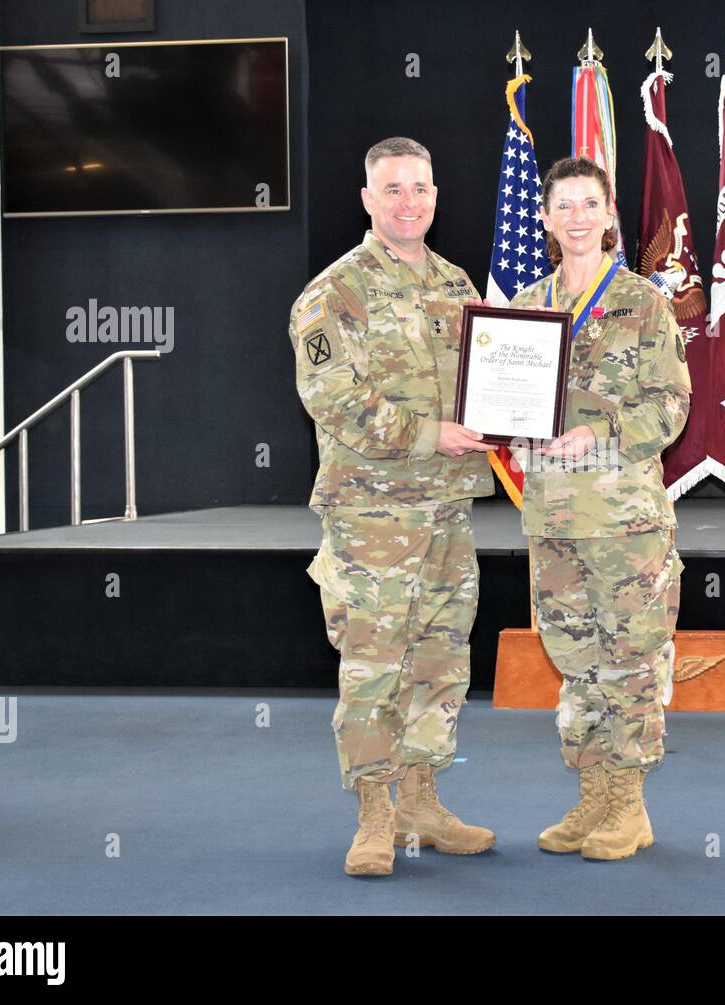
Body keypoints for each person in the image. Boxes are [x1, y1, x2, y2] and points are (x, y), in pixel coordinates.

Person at [288, 137, 497, 877]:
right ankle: (373, 812)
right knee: (374, 663)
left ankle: (421, 797)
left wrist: (504, 417)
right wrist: (425, 433)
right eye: (394, 189)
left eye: (421, 188)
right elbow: (333, 399)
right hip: (372, 516)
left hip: (447, 510)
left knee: (441, 658)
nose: (410, 202)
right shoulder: (332, 293)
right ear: (368, 198)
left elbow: (488, 381)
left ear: (435, 195)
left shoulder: (457, 282)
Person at [509, 157, 691, 861]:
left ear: (610, 214)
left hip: (624, 523)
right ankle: (591, 797)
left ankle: (629, 804)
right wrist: (509, 428)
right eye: (565, 206)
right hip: (553, 519)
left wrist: (605, 432)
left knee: (632, 660)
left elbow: (673, 404)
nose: (578, 218)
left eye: (590, 204)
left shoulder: (644, 303)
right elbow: (503, 405)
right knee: (576, 659)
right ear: (546, 219)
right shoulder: (523, 309)